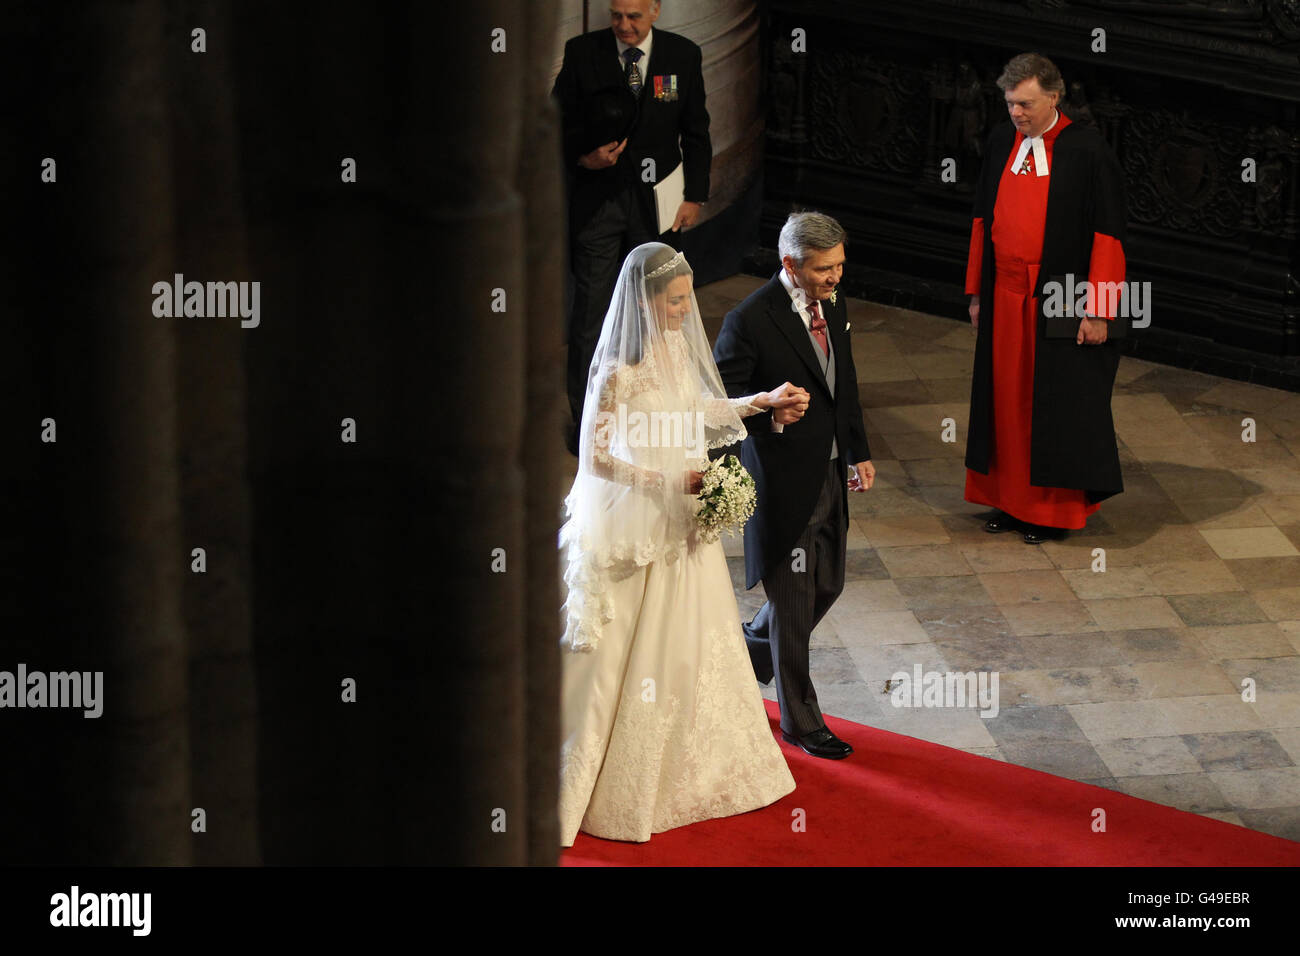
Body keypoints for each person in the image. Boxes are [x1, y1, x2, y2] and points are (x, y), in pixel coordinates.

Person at [559, 243, 806, 846]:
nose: (684, 311)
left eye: (687, 298)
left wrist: (760, 401)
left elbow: (695, 408)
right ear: (645, 301)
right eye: (674, 301)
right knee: (620, 651)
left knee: (692, 641)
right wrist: (666, 480)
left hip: (685, 520)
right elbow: (593, 457)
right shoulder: (617, 374)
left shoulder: (673, 348)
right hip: (637, 523)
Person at [713, 211, 875, 761]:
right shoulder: (749, 319)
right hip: (781, 483)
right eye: (825, 268)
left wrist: (858, 450)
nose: (836, 277)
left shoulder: (835, 304)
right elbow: (720, 407)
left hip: (830, 473)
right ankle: (801, 723)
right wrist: (772, 414)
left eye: (840, 265)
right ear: (790, 264)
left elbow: (843, 383)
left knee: (826, 585)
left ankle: (752, 642)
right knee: (796, 606)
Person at [963, 52, 1127, 544]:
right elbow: (980, 222)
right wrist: (976, 293)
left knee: (1054, 404)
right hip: (1004, 292)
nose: (1017, 113)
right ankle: (1011, 502)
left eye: (1027, 104)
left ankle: (1049, 513)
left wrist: (1098, 309)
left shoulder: (1088, 150)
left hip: (1061, 294)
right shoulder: (1000, 141)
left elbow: (1108, 236)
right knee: (1005, 401)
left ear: (1054, 97)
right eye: (1011, 103)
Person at [553, 0, 712, 455]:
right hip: (598, 203)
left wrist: (694, 195)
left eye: (634, 17)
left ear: (655, 12)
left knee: (660, 311)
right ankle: (591, 426)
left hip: (658, 205)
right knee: (590, 314)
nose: (624, 25)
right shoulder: (582, 52)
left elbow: (696, 131)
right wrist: (582, 157)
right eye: (616, 15)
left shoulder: (683, 55)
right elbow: (554, 122)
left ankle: (651, 415)